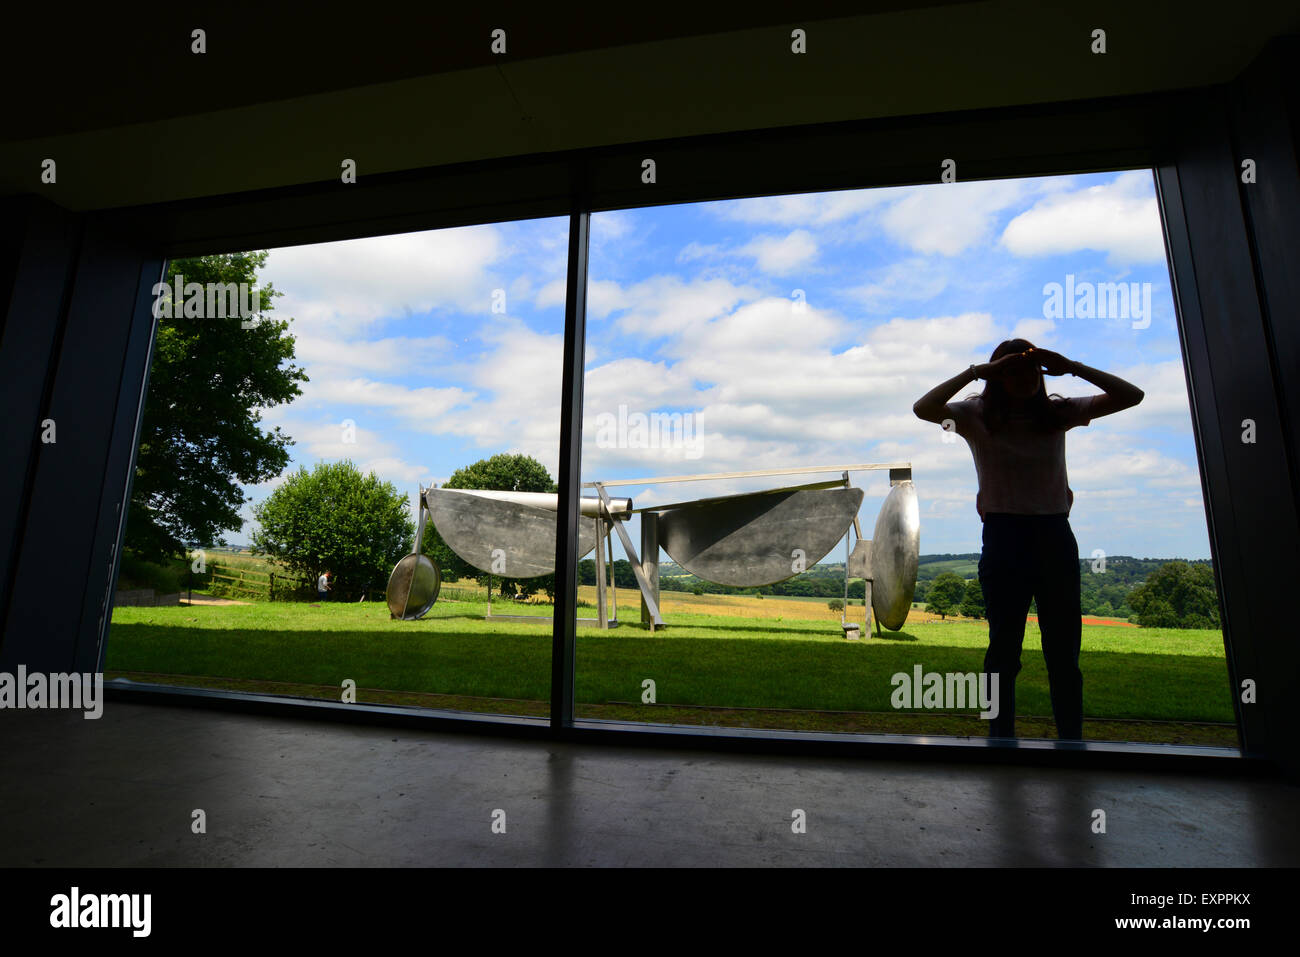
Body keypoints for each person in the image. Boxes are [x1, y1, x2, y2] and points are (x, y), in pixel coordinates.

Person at [912, 339, 1143, 740]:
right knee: (1003, 650)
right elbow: (923, 408)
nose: (1024, 379)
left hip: (1052, 534)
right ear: (998, 376)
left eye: (1032, 371)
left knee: (1064, 652)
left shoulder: (1058, 412)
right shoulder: (974, 415)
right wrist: (974, 372)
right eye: (1012, 371)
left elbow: (1131, 396)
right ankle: (1000, 739)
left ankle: (1070, 739)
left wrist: (1072, 364)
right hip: (1004, 537)